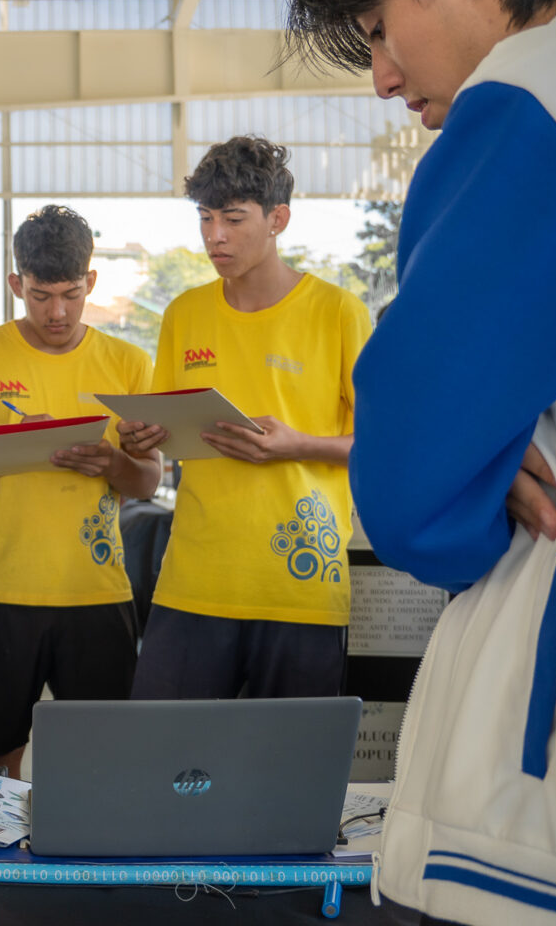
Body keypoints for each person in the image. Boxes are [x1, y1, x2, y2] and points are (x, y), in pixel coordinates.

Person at [285, 0, 556, 923]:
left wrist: (472, 450)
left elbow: (415, 481)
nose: (382, 75)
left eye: (376, 29)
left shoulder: (555, 86)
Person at [121, 137, 371, 701]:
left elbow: (386, 447)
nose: (215, 236)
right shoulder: (184, 313)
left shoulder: (338, 313)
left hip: (299, 588)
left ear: (277, 218)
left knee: (287, 776)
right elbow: (162, 441)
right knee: (164, 766)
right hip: (191, 584)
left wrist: (298, 445)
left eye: (233, 219)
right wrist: (141, 436)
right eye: (205, 218)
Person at [0, 204, 160, 779]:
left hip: (97, 591)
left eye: (71, 293)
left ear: (91, 281)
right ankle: (2, 866)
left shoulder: (127, 361)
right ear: (17, 283)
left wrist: (114, 461)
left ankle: (90, 867)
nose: (58, 312)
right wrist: (12, 443)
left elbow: (149, 478)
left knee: (103, 763)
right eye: (41, 295)